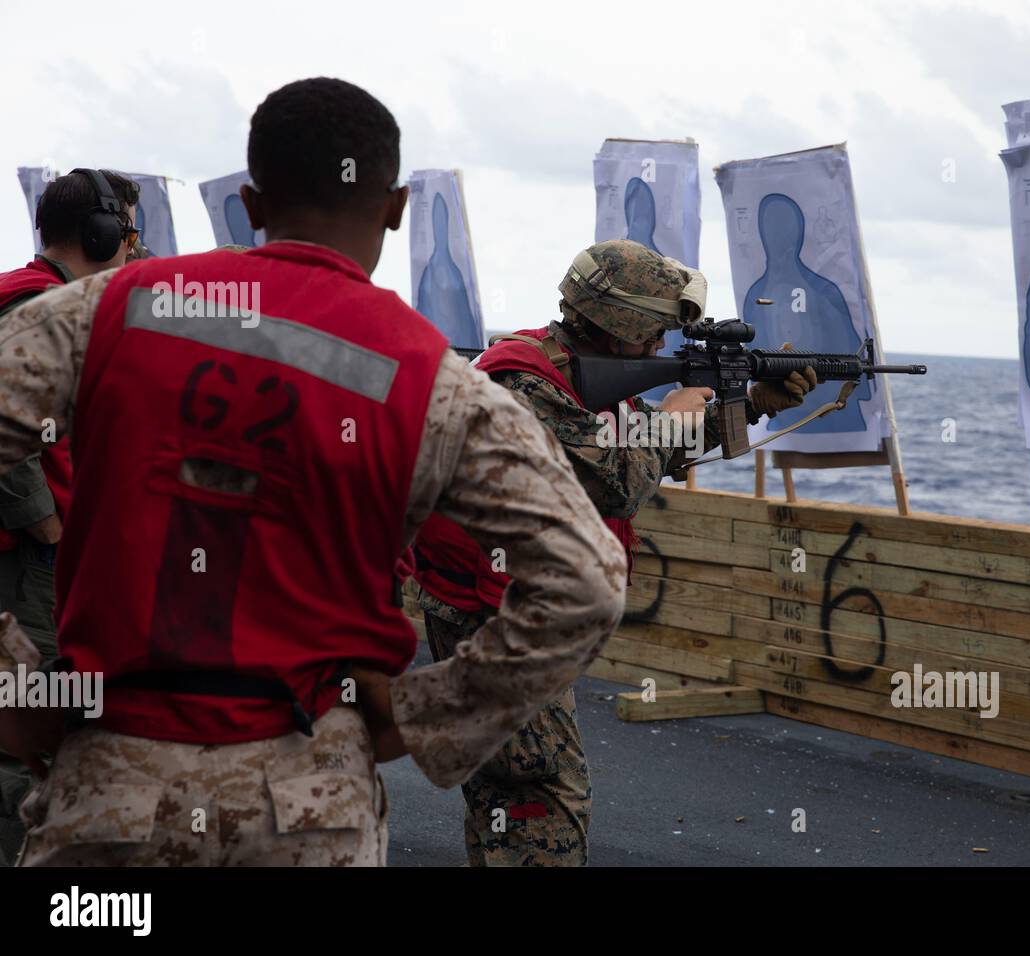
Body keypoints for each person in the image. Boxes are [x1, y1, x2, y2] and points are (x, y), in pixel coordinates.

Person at [0, 76, 625, 867]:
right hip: (308, 800)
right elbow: (588, 580)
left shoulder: (106, 310)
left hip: (108, 786)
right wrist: (427, 715)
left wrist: (18, 687)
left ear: (254, 205)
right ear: (395, 207)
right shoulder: (430, 376)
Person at [412, 238, 816, 865]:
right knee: (540, 796)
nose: (660, 346)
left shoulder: (565, 371)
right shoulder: (524, 386)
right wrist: (681, 413)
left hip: (509, 607)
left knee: (512, 789)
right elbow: (620, 482)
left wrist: (750, 406)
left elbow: (626, 450)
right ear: (618, 322)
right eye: (652, 331)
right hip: (489, 618)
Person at [0, 168, 141, 866]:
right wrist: (46, 528)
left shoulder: (43, 302)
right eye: (129, 233)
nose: (133, 250)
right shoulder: (35, 307)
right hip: (29, 564)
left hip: (41, 557)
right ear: (103, 231)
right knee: (24, 732)